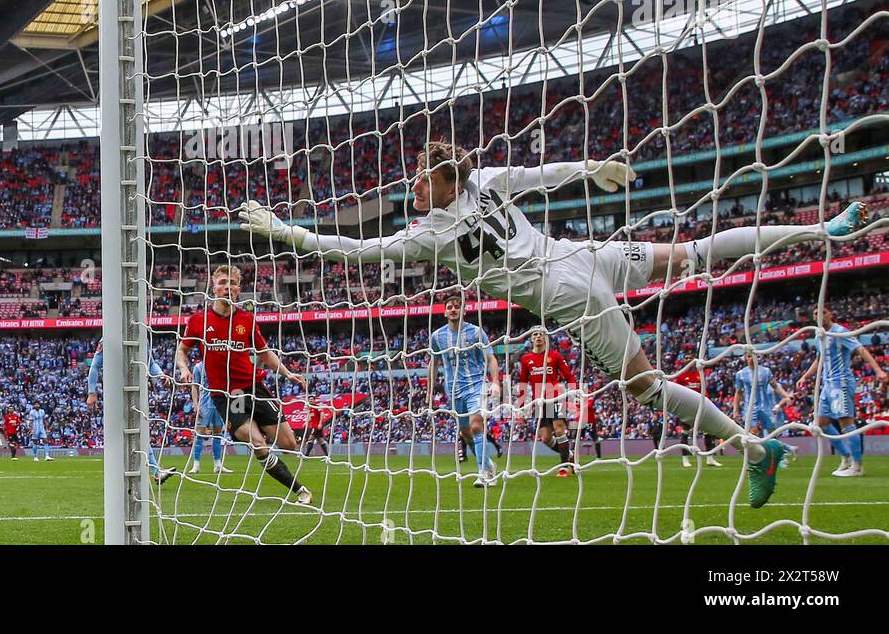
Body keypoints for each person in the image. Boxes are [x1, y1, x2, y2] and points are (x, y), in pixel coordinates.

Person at [239, 141, 873, 507]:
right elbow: (540, 176)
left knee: (643, 386)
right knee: (696, 251)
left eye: (420, 182)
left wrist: (284, 232)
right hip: (581, 252)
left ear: (441, 181)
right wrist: (593, 169)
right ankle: (825, 228)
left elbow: (352, 252)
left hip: (566, 294)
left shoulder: (429, 235)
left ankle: (754, 449)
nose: (413, 190)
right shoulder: (485, 180)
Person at [174, 264, 313, 505]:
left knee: (289, 444)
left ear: (239, 289)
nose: (227, 287)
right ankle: (300, 489)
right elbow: (181, 351)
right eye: (222, 282)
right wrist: (184, 368)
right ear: (214, 288)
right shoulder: (198, 321)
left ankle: (247, 430)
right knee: (258, 443)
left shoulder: (247, 320)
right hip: (229, 395)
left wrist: (287, 373)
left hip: (253, 389)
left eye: (232, 283)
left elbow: (265, 353)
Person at [796, 305, 889, 477]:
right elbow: (819, 359)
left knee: (847, 424)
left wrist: (878, 370)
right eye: (816, 314)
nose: (819, 316)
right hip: (827, 385)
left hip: (841, 383)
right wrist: (805, 376)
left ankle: (858, 466)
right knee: (820, 423)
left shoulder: (840, 332)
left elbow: (861, 349)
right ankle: (845, 457)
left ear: (830, 314)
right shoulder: (819, 335)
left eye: (823, 312)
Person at [428, 296, 501, 486]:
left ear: (464, 311)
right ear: (444, 312)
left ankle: (483, 473)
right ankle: (488, 464)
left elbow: (491, 358)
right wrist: (430, 391)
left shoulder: (476, 332)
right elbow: (433, 363)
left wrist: (495, 383)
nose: (453, 310)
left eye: (457, 307)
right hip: (453, 389)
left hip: (476, 385)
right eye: (450, 307)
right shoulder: (437, 337)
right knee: (466, 432)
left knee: (476, 425)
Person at [87, 340, 178, 484]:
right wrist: (92, 392)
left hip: (136, 391)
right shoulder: (108, 339)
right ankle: (147, 471)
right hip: (116, 394)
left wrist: (161, 375)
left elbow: (151, 363)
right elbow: (95, 365)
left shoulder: (143, 338)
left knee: (137, 431)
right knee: (127, 433)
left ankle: (153, 471)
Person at [516, 328, 575, 476]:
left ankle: (563, 467)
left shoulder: (554, 355)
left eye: (541, 334)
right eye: (535, 335)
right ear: (531, 339)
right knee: (545, 438)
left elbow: (569, 376)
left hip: (555, 396)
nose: (538, 337)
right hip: (539, 401)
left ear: (546, 339)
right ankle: (570, 455)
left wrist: (575, 392)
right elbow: (523, 382)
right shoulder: (526, 359)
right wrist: (521, 406)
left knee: (559, 430)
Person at [733, 353, 793, 439]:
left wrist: (786, 395)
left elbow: (775, 386)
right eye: (749, 356)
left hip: (766, 406)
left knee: (772, 433)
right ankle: (758, 451)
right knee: (753, 433)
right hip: (750, 407)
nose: (751, 359)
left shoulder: (766, 371)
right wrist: (735, 410)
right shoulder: (741, 374)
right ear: (746, 358)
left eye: (753, 356)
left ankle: (777, 450)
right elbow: (738, 393)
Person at [189, 360, 229, 473]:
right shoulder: (198, 367)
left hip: (219, 403)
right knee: (199, 434)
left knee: (218, 434)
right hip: (204, 404)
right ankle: (196, 465)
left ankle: (218, 465)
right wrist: (196, 404)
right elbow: (194, 387)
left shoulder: (221, 365)